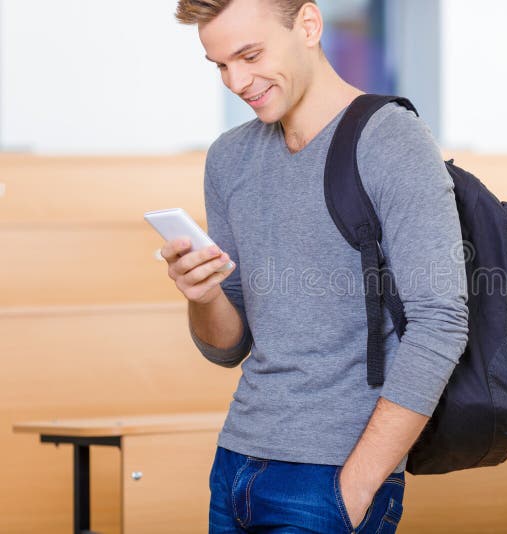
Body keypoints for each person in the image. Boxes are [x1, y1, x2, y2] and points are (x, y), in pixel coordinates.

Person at [163, 1, 469, 532]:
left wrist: (356, 487)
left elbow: (441, 322)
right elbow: (227, 348)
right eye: (220, 65)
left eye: (250, 56)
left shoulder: (393, 140)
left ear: (308, 25)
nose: (236, 81)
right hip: (236, 462)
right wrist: (204, 295)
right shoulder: (228, 158)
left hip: (333, 478)